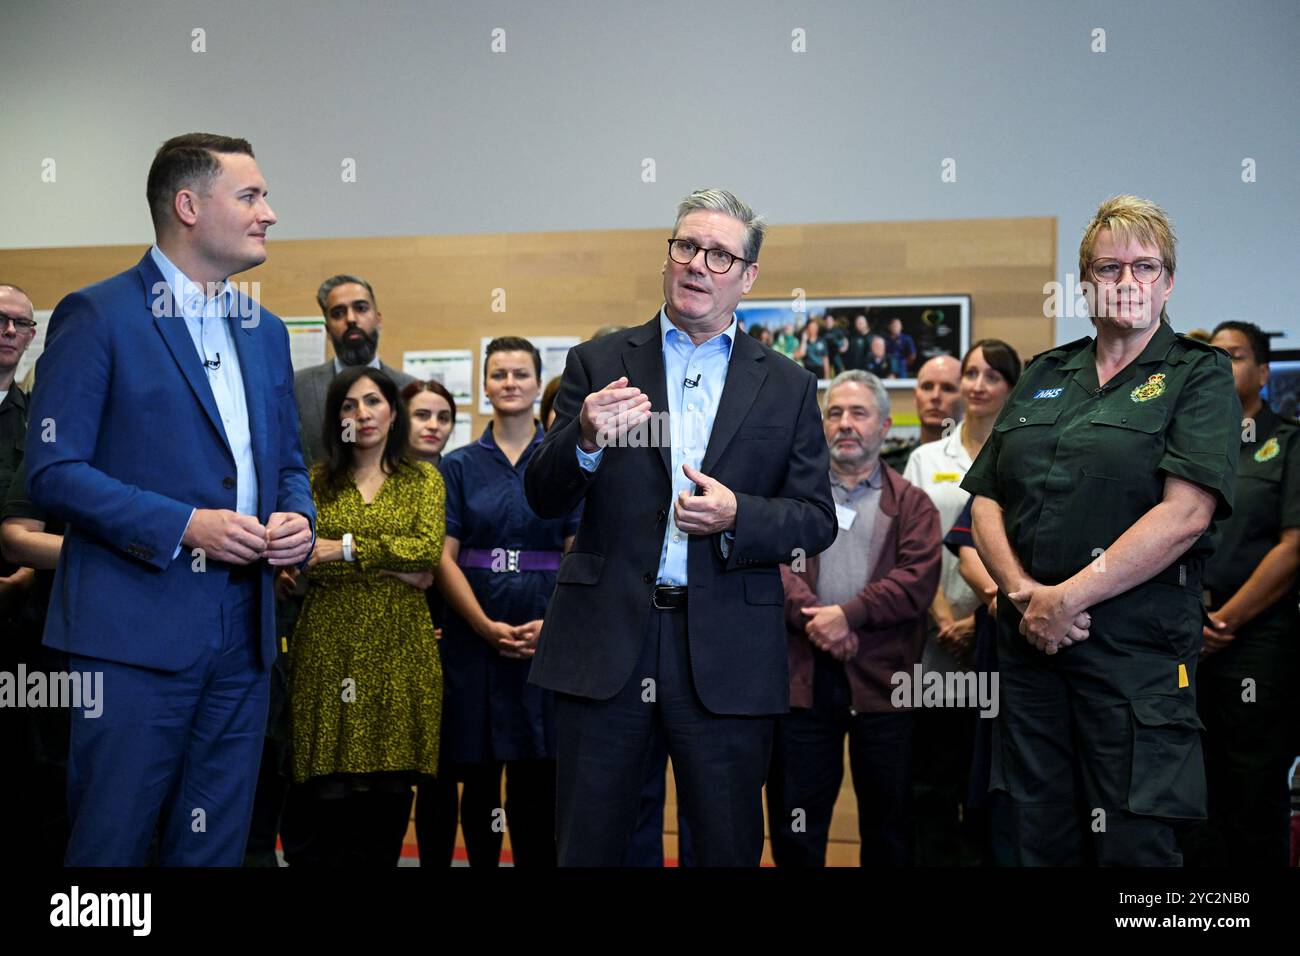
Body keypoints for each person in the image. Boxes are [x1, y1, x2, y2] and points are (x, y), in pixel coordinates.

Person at [25, 132, 316, 866]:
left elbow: (286, 464)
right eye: (251, 196)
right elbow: (54, 471)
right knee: (109, 843)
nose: (270, 213)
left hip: (245, 633)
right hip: (130, 634)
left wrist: (297, 521)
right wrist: (186, 525)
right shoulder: (97, 316)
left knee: (215, 846)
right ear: (188, 206)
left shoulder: (266, 330)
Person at [524, 187, 837, 866]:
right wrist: (582, 437)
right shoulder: (599, 363)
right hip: (607, 642)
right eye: (686, 246)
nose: (698, 263)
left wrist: (739, 514)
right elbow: (541, 495)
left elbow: (815, 520)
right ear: (668, 257)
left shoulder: (787, 385)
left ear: (748, 276)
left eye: (720, 255)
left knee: (723, 845)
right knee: (590, 845)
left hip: (727, 647)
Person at [963, 194, 1239, 866]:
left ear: (1168, 283)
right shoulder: (1045, 373)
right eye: (1108, 268)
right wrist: (1025, 593)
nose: (1126, 282)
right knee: (1032, 837)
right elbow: (986, 500)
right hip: (1032, 651)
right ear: (1084, 282)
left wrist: (1068, 598)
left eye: (1145, 268)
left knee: (1133, 843)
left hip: (1133, 659)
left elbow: (1185, 515)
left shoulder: (1198, 375)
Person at [769, 371, 941, 866]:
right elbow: (772, 565)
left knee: (889, 829)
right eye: (835, 413)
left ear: (885, 426)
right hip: (802, 679)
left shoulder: (912, 503)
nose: (845, 424)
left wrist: (848, 616)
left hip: (885, 685)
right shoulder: (793, 498)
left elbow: (917, 580)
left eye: (859, 413)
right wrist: (816, 621)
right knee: (796, 823)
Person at [287, 367, 445, 866]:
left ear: (392, 411)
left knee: (390, 790)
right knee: (326, 790)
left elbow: (425, 551)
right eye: (349, 405)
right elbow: (304, 554)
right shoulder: (313, 482)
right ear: (337, 419)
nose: (362, 414)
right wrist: (394, 567)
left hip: (401, 648)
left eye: (373, 401)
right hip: (329, 644)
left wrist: (346, 549)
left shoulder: (423, 478)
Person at [435, 337, 578, 866]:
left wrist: (550, 622)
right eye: (499, 375)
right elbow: (443, 558)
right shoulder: (458, 466)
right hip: (474, 642)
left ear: (538, 383)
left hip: (546, 638)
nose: (511, 383)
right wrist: (482, 625)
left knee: (537, 780)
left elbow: (577, 555)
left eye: (521, 374)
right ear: (485, 385)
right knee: (477, 781)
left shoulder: (564, 462)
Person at [1183, 321, 1300, 867]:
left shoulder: (1290, 443)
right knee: (1189, 788)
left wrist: (1225, 621)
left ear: (1262, 371)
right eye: (1213, 356)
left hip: (1256, 641)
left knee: (1252, 788)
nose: (1220, 365)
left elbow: (1293, 547)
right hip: (1184, 640)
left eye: (1232, 356)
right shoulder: (1188, 445)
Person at [295, 274, 415, 463]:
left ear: (378, 319)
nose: (351, 319)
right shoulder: (298, 388)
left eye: (360, 308)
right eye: (338, 313)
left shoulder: (409, 389)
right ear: (327, 329)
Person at [880, 355, 963, 472]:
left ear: (966, 399)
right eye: (927, 387)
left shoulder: (982, 466)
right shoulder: (889, 469)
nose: (935, 396)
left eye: (947, 388)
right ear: (915, 396)